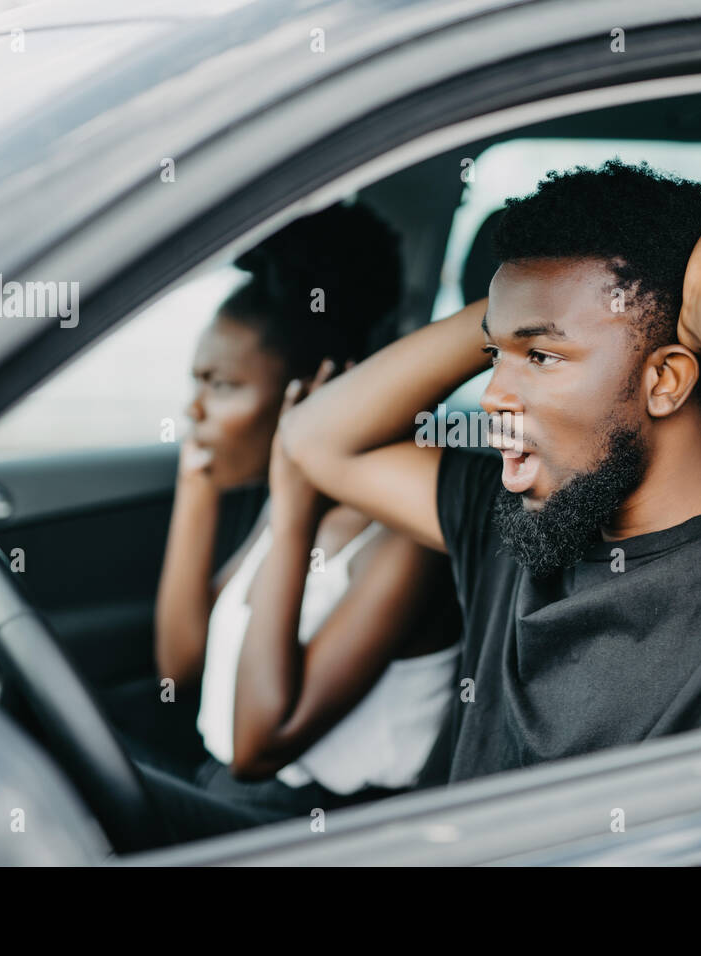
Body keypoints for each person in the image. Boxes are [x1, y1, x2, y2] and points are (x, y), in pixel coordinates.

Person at [280, 159, 701, 785]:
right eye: (493, 355)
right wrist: (509, 316)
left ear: (665, 381)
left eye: (541, 357)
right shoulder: (529, 521)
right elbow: (316, 440)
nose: (491, 394)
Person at [143, 202, 461, 830]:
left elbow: (263, 745)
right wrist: (197, 488)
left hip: (327, 830)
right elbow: (182, 669)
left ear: (313, 387)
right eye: (196, 380)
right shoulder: (288, 499)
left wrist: (293, 506)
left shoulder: (404, 535)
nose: (195, 408)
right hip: (228, 792)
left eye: (222, 385)